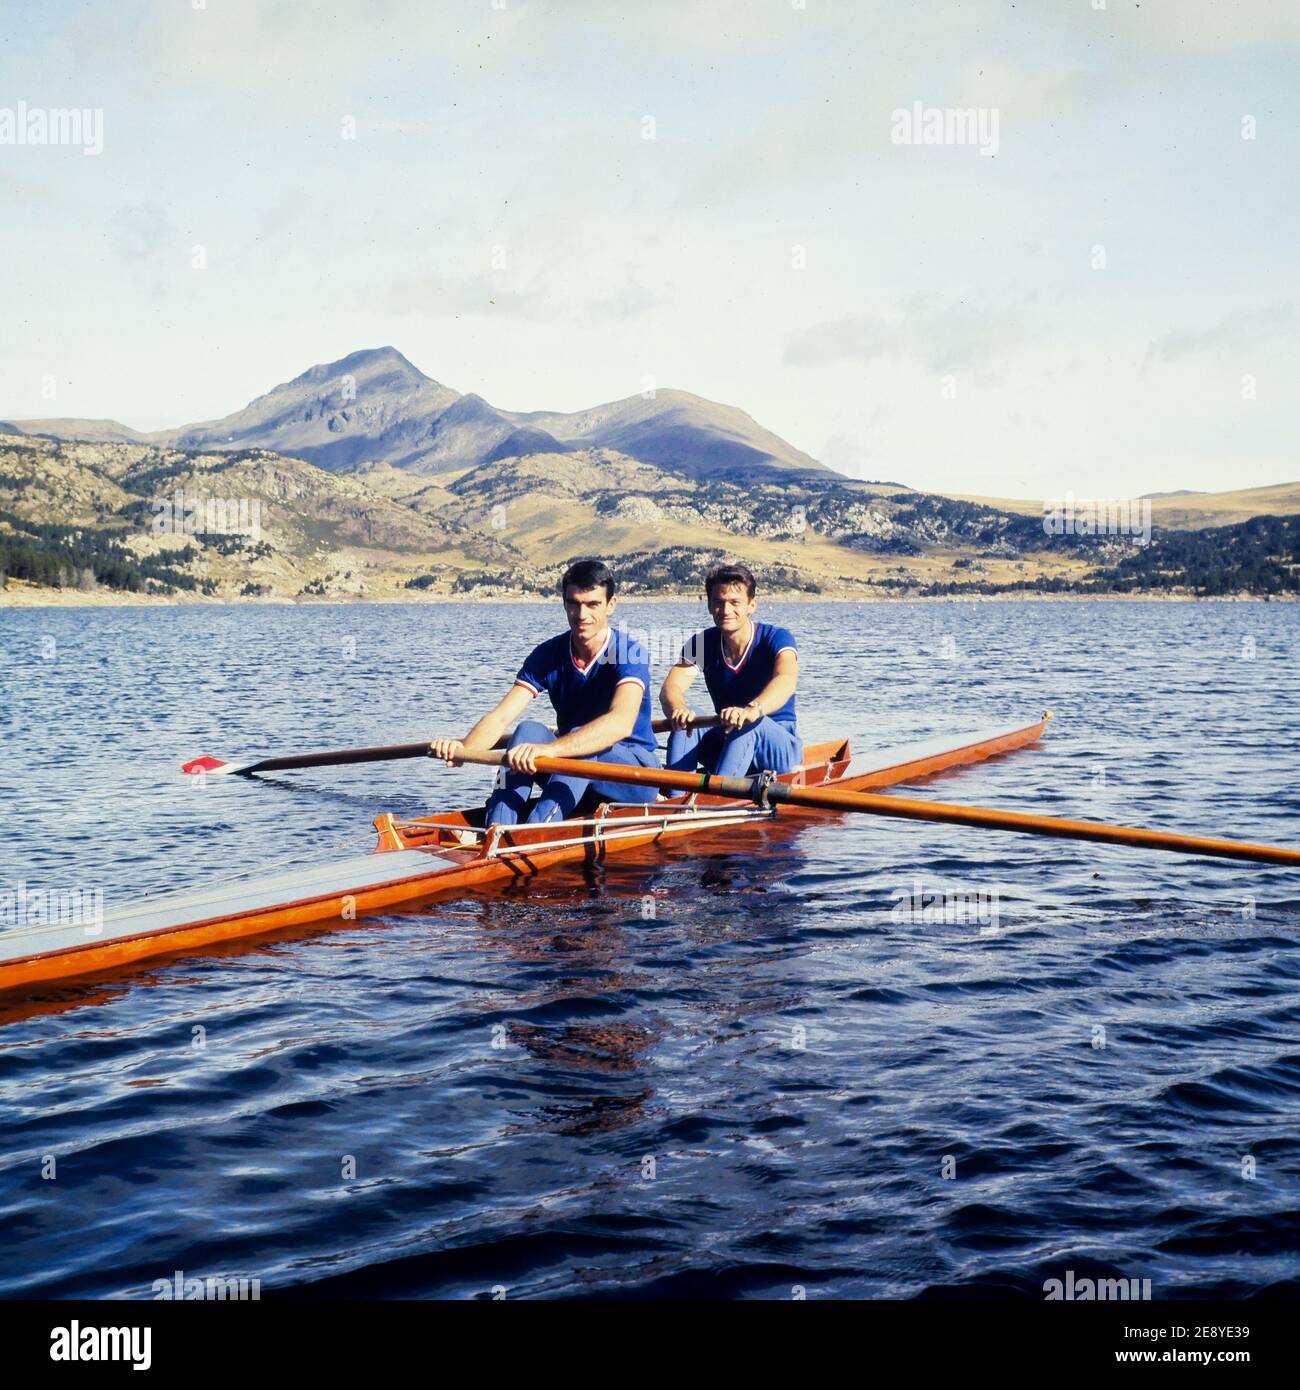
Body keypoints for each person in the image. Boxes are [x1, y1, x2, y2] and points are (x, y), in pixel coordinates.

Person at [430, 558, 660, 825]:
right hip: (572, 770)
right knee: (527, 730)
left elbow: (620, 723)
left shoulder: (628, 652)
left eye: (592, 604)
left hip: (636, 779)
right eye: (573, 603)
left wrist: (550, 751)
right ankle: (497, 827)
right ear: (564, 603)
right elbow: (501, 717)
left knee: (576, 737)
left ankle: (534, 832)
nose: (582, 615)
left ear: (611, 605)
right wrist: (464, 750)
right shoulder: (548, 654)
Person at [659, 562, 801, 777]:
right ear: (709, 605)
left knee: (747, 724)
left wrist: (752, 709)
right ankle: (674, 797)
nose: (726, 610)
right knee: (688, 722)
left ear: (751, 605)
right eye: (719, 602)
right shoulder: (702, 644)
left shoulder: (776, 638)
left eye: (735, 602)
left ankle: (715, 799)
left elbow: (786, 680)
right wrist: (678, 710)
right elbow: (671, 687)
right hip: (729, 737)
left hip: (778, 747)